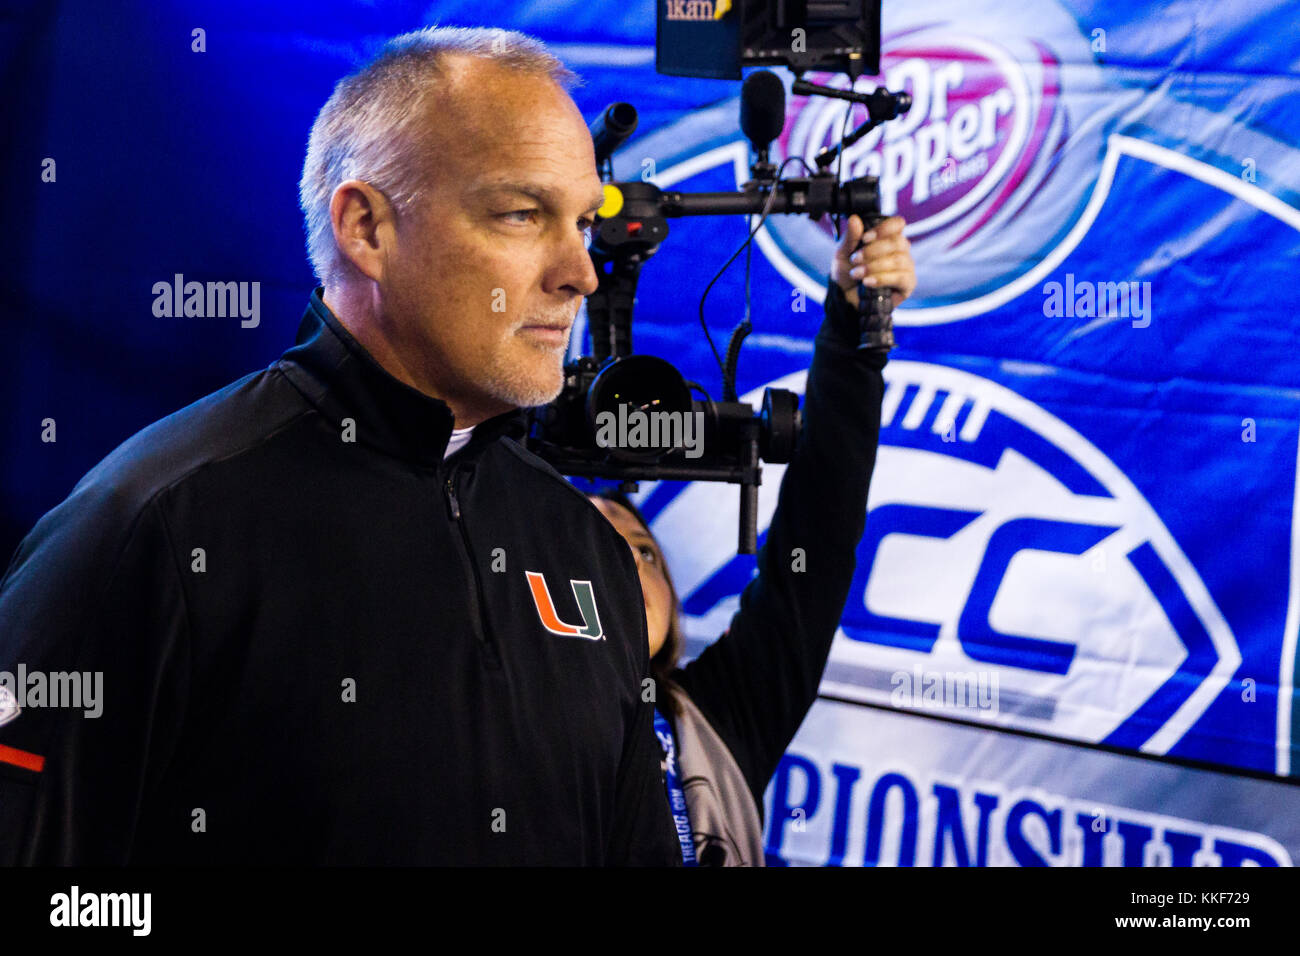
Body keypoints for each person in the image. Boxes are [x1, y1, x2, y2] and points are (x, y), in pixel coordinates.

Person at [0, 27, 679, 865]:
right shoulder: (152, 529)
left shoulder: (583, 547)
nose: (581, 270)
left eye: (582, 221)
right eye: (521, 214)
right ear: (366, 228)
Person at [590, 213, 915, 866]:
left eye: (644, 551)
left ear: (674, 607)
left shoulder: (724, 712)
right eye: (595, 543)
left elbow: (819, 534)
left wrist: (853, 322)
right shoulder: (496, 698)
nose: (626, 560)